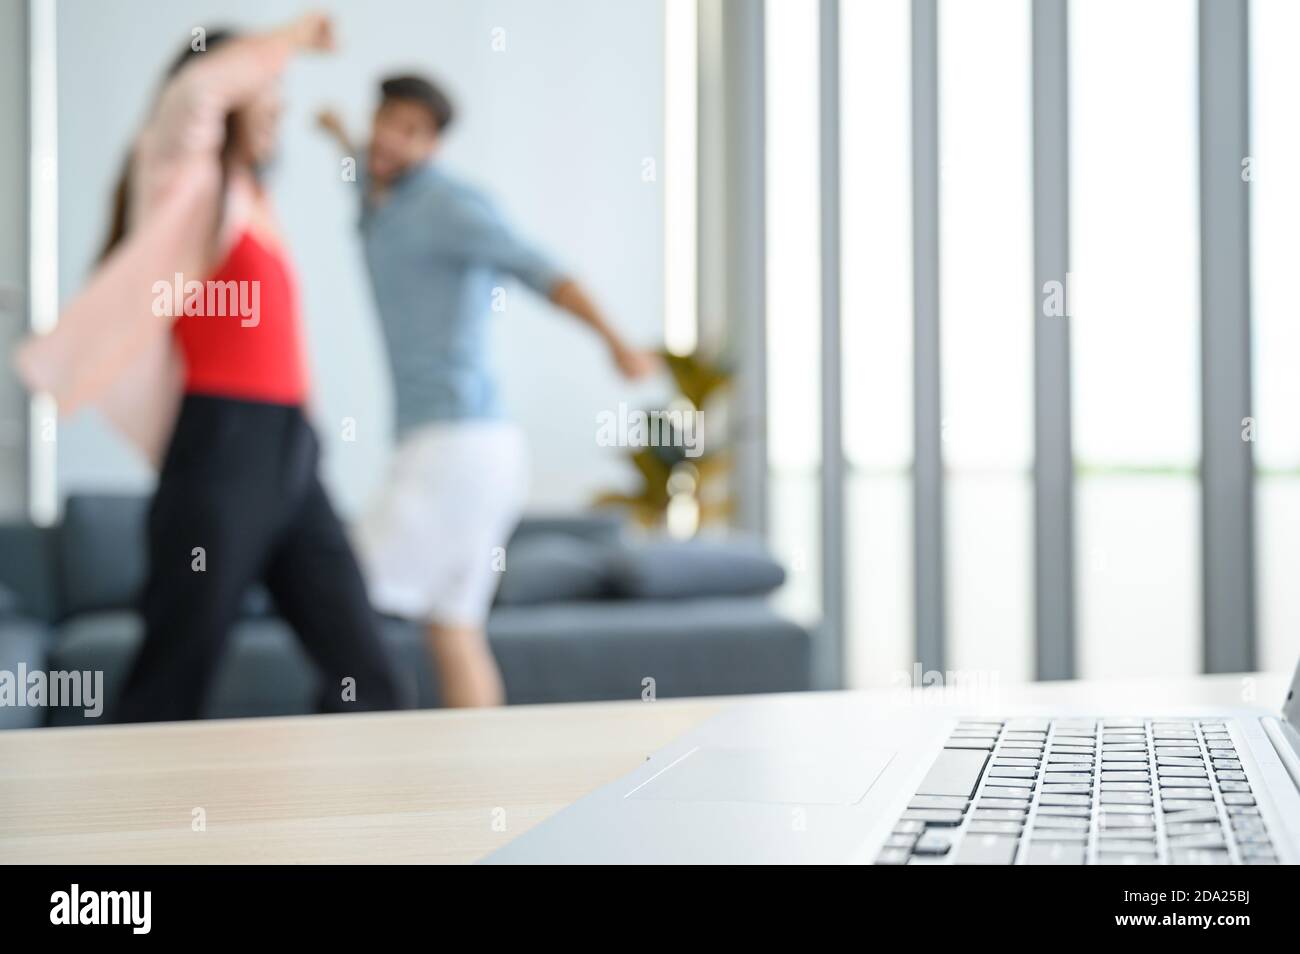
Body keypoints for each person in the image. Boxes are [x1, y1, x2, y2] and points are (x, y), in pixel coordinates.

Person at [17, 14, 406, 722]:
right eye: (267, 86)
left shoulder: (256, 202)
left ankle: (340, 824)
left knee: (368, 675)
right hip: (221, 447)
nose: (279, 100)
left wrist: (307, 431)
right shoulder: (182, 176)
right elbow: (196, 92)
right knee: (173, 680)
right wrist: (289, 38)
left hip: (291, 449)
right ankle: (135, 827)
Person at [317, 76, 658, 707]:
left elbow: (541, 268)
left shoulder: (452, 205)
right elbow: (361, 172)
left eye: (412, 131)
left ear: (436, 145)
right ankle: (479, 792)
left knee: (339, 596)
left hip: (456, 445)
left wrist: (616, 339)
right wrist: (335, 131)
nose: (391, 138)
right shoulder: (377, 193)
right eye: (385, 121)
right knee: (452, 629)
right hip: (462, 443)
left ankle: (350, 775)